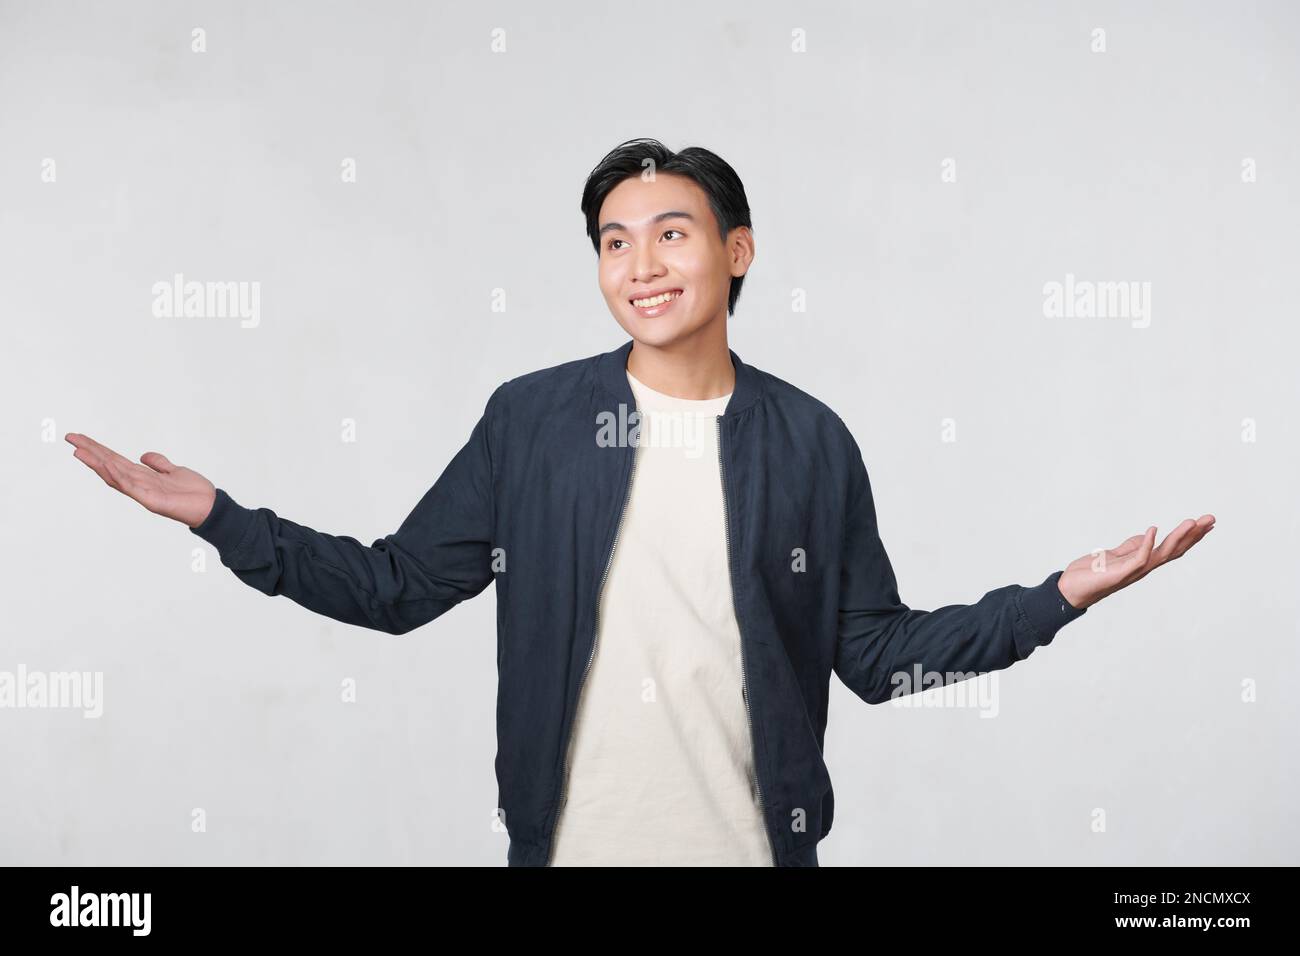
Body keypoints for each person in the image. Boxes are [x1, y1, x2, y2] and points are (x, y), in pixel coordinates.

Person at [66, 138, 1216, 867]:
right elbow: (398, 586)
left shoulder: (809, 439)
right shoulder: (532, 421)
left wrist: (1058, 595)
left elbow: (873, 653)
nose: (640, 263)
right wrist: (225, 517)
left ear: (737, 251)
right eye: (614, 241)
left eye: (670, 232)